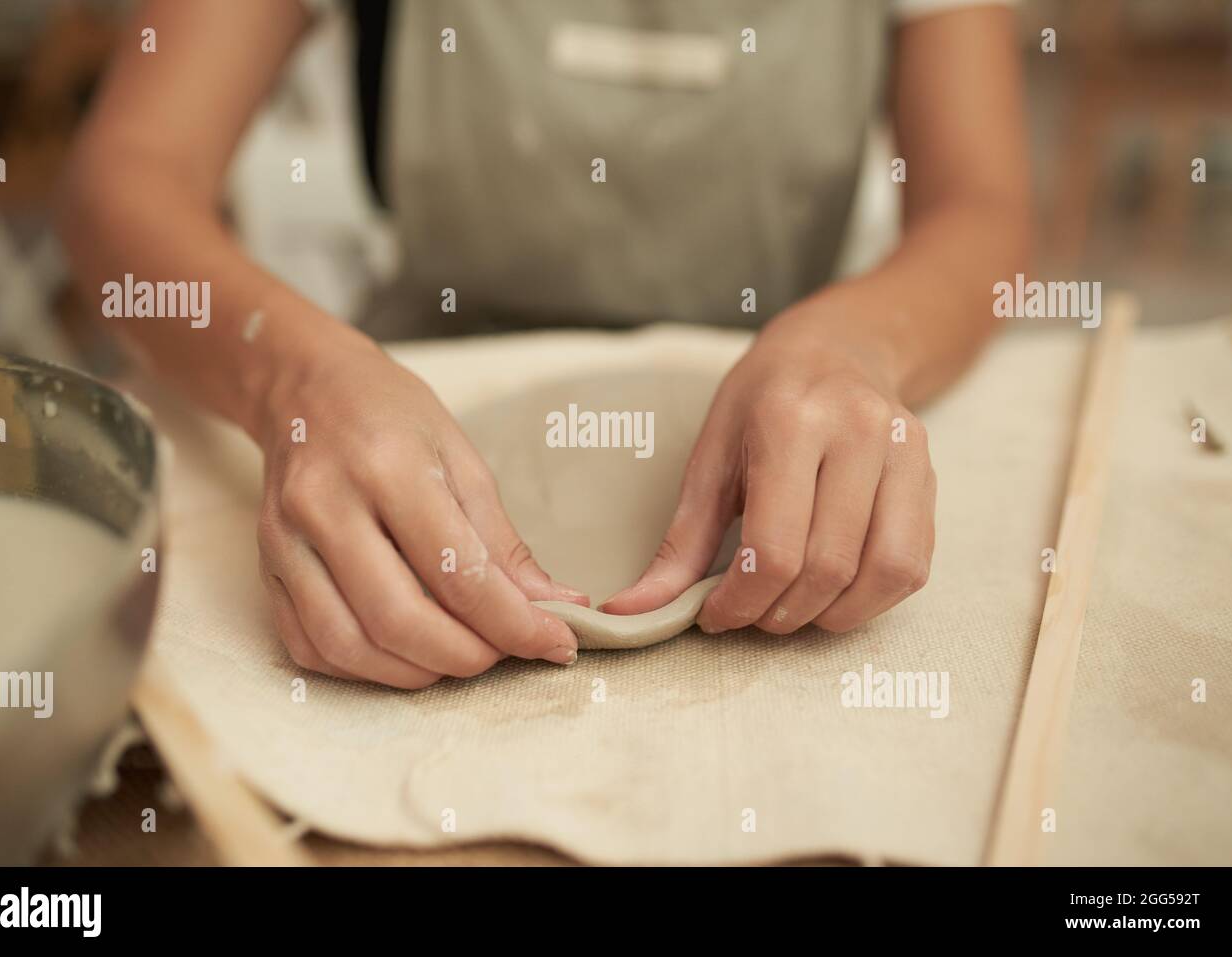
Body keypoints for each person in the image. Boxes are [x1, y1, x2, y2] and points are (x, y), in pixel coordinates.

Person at [58, 0, 1031, 689]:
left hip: (782, 390)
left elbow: (983, 209)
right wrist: (295, 379)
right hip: (414, 380)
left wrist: (857, 345)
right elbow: (128, 177)